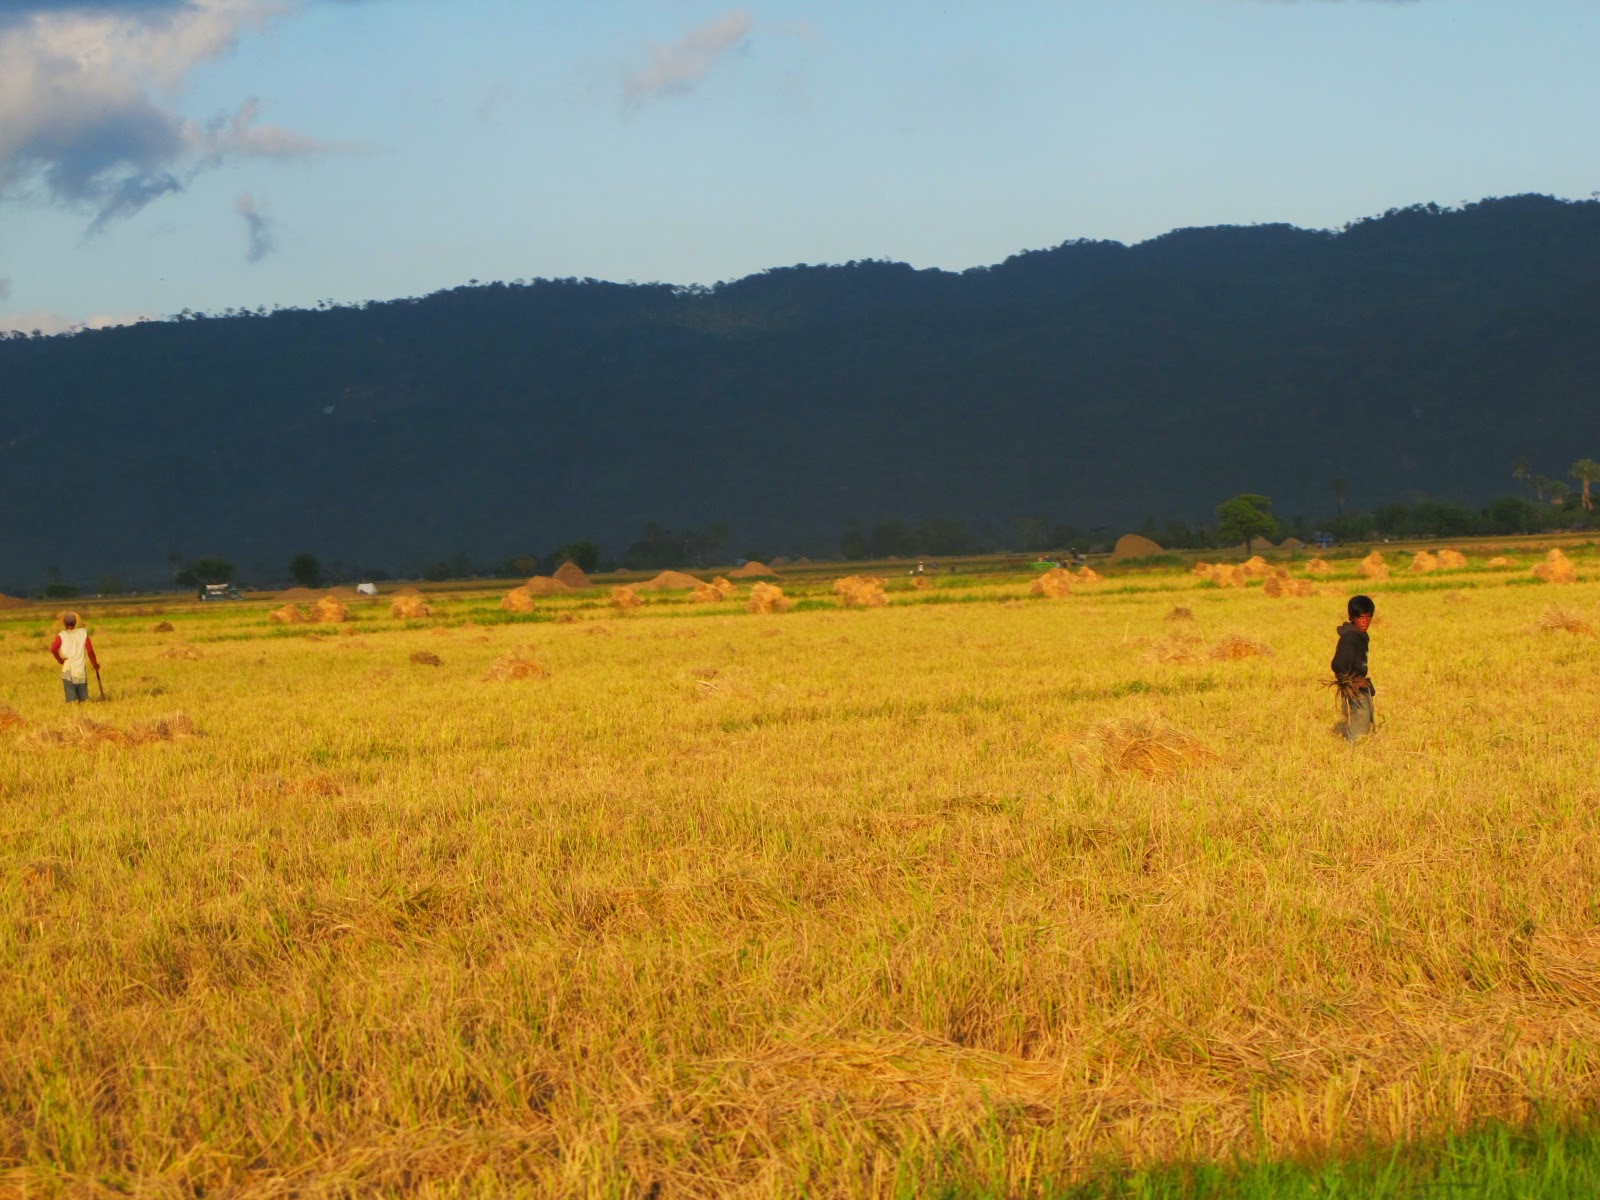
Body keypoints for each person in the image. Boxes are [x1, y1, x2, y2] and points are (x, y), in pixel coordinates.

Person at [1331, 594, 1376, 742]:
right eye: (1361, 617)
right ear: (1352, 617)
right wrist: (1350, 681)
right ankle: (1354, 756)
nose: (1365, 621)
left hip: (1360, 687)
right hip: (1353, 689)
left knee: (1366, 720)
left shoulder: (1359, 635)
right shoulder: (1350, 637)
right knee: (1360, 728)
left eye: (1368, 617)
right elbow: (1337, 664)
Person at [49, 612, 99, 703]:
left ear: (64, 623)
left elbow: (53, 648)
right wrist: (95, 664)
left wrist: (60, 660)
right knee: (83, 700)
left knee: (71, 701)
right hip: (80, 671)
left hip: (67, 669)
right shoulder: (83, 633)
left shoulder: (62, 635)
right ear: (75, 622)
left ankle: (74, 715)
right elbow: (90, 651)